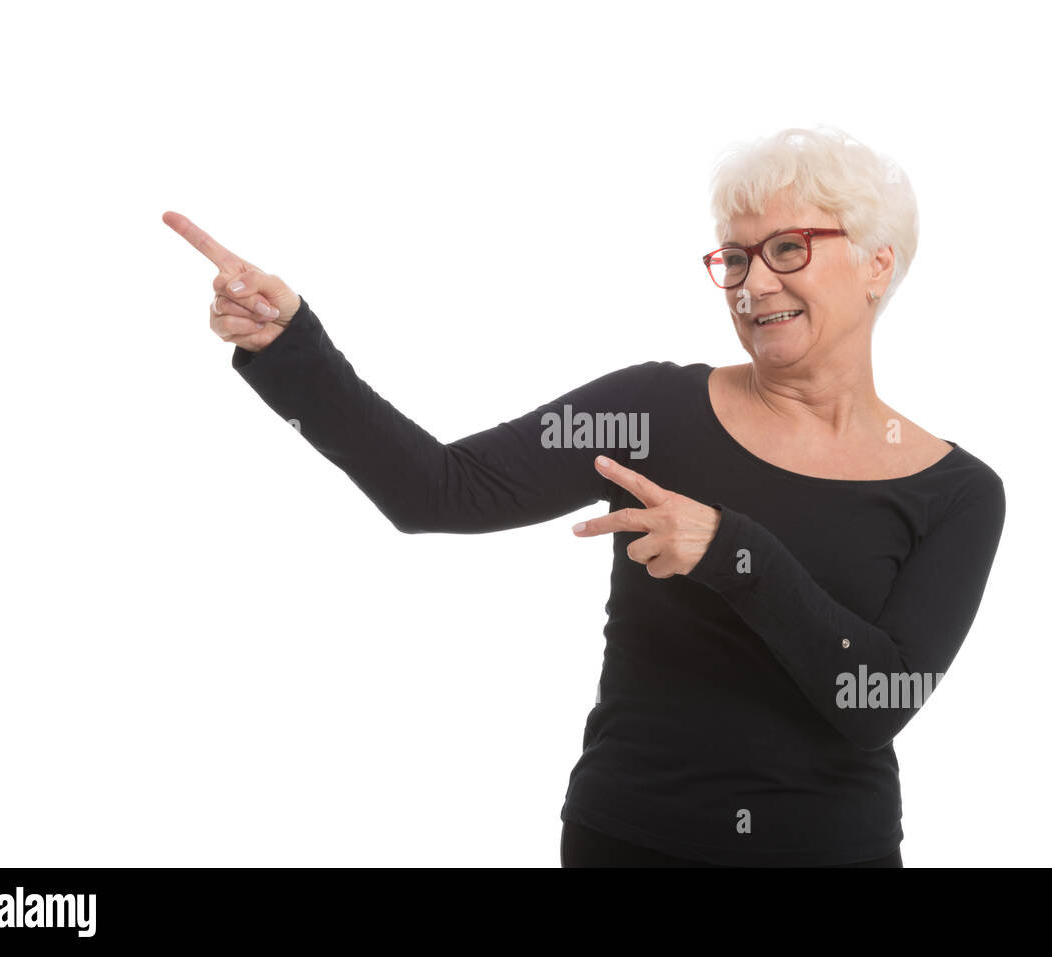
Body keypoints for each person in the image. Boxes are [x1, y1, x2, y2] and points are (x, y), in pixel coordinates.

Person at [163, 125, 1005, 868]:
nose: (753, 283)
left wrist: (730, 551)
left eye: (789, 248)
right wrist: (292, 349)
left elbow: (874, 704)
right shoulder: (651, 409)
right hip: (629, 842)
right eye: (737, 257)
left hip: (833, 853)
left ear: (876, 263)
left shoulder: (955, 492)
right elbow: (441, 492)